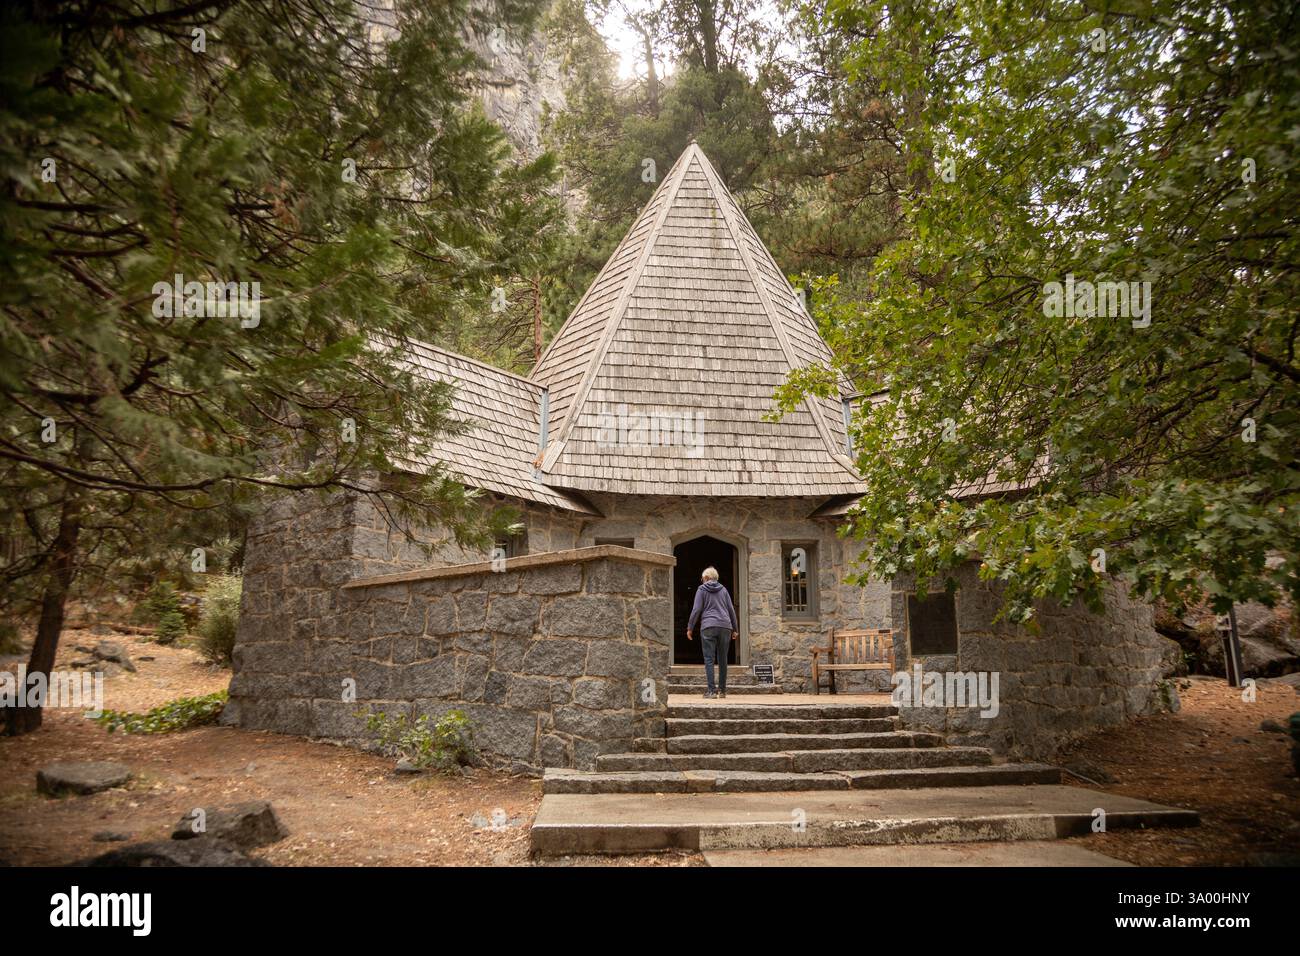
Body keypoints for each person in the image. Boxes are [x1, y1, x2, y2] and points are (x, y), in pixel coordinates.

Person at [685, 566, 738, 699]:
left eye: (702, 579)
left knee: (709, 659)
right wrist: (735, 629)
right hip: (725, 626)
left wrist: (690, 627)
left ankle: (711, 691)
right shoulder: (724, 590)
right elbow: (731, 610)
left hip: (708, 626)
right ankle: (722, 690)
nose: (701, 581)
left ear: (707, 578)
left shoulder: (701, 589)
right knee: (723, 659)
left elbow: (696, 609)